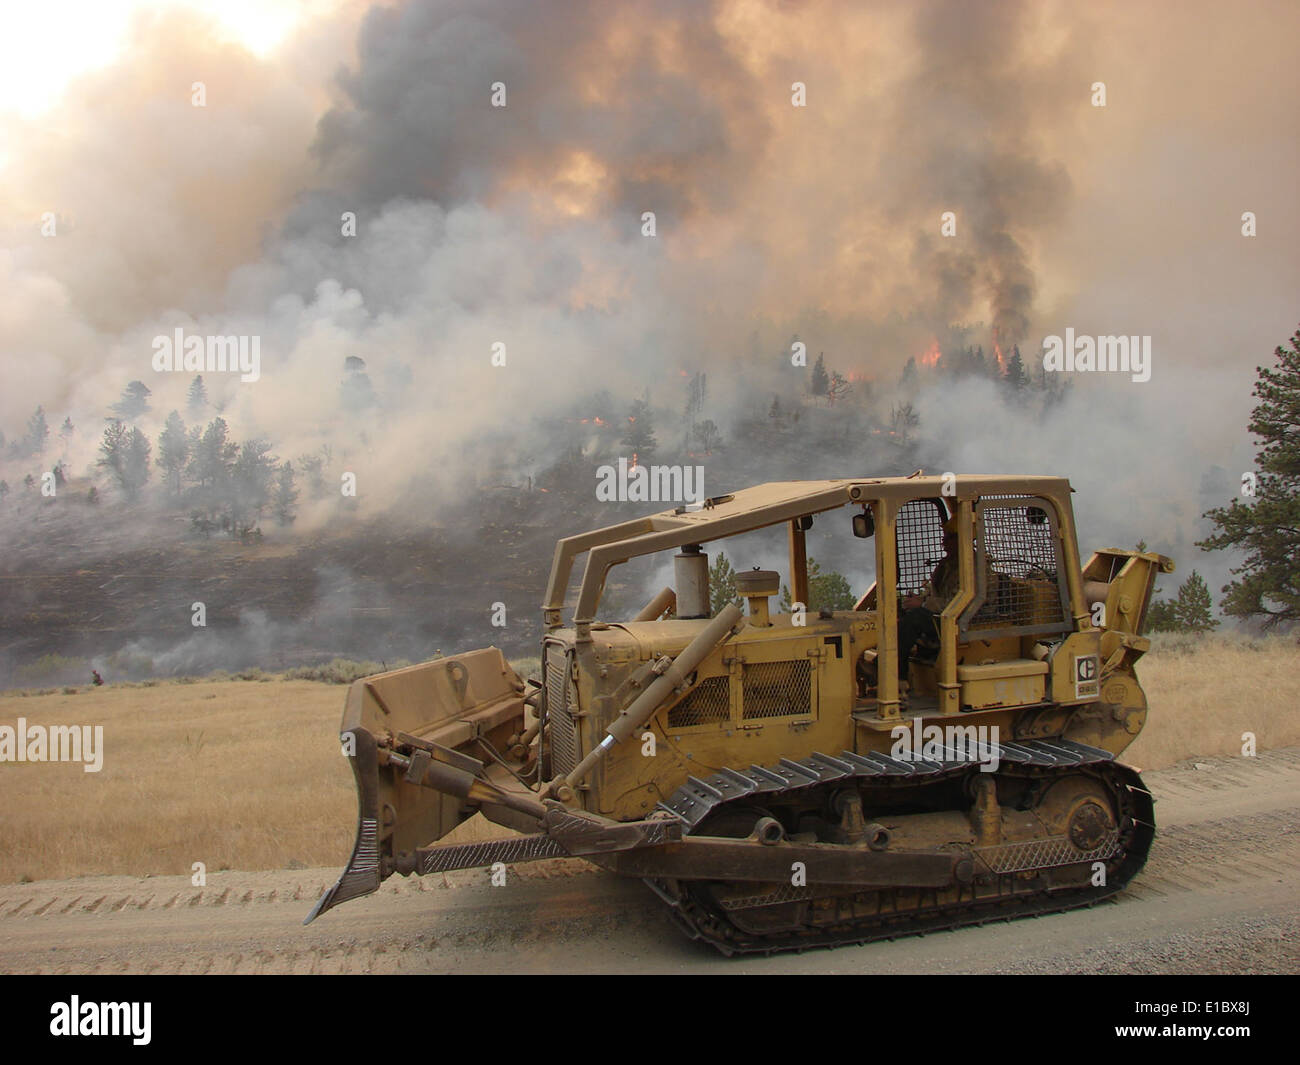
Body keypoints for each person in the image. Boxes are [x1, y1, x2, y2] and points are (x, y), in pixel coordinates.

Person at [897, 525, 961, 690]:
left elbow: (960, 603)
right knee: (901, 615)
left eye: (949, 538)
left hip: (958, 622)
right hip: (942, 617)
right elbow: (936, 592)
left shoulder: (971, 568)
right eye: (944, 537)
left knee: (914, 619)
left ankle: (898, 678)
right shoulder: (947, 565)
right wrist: (919, 598)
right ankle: (884, 664)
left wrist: (924, 604)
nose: (943, 542)